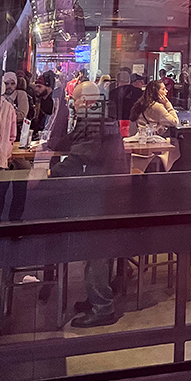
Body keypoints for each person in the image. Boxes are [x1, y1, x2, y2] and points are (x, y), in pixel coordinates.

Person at [50, 81, 127, 327]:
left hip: (102, 190)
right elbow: (71, 142)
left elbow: (83, 154)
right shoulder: (98, 116)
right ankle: (98, 296)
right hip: (108, 189)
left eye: (74, 99)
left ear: (87, 101)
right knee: (99, 248)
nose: (72, 102)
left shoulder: (96, 119)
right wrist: (54, 141)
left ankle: (103, 307)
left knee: (95, 249)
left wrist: (52, 174)